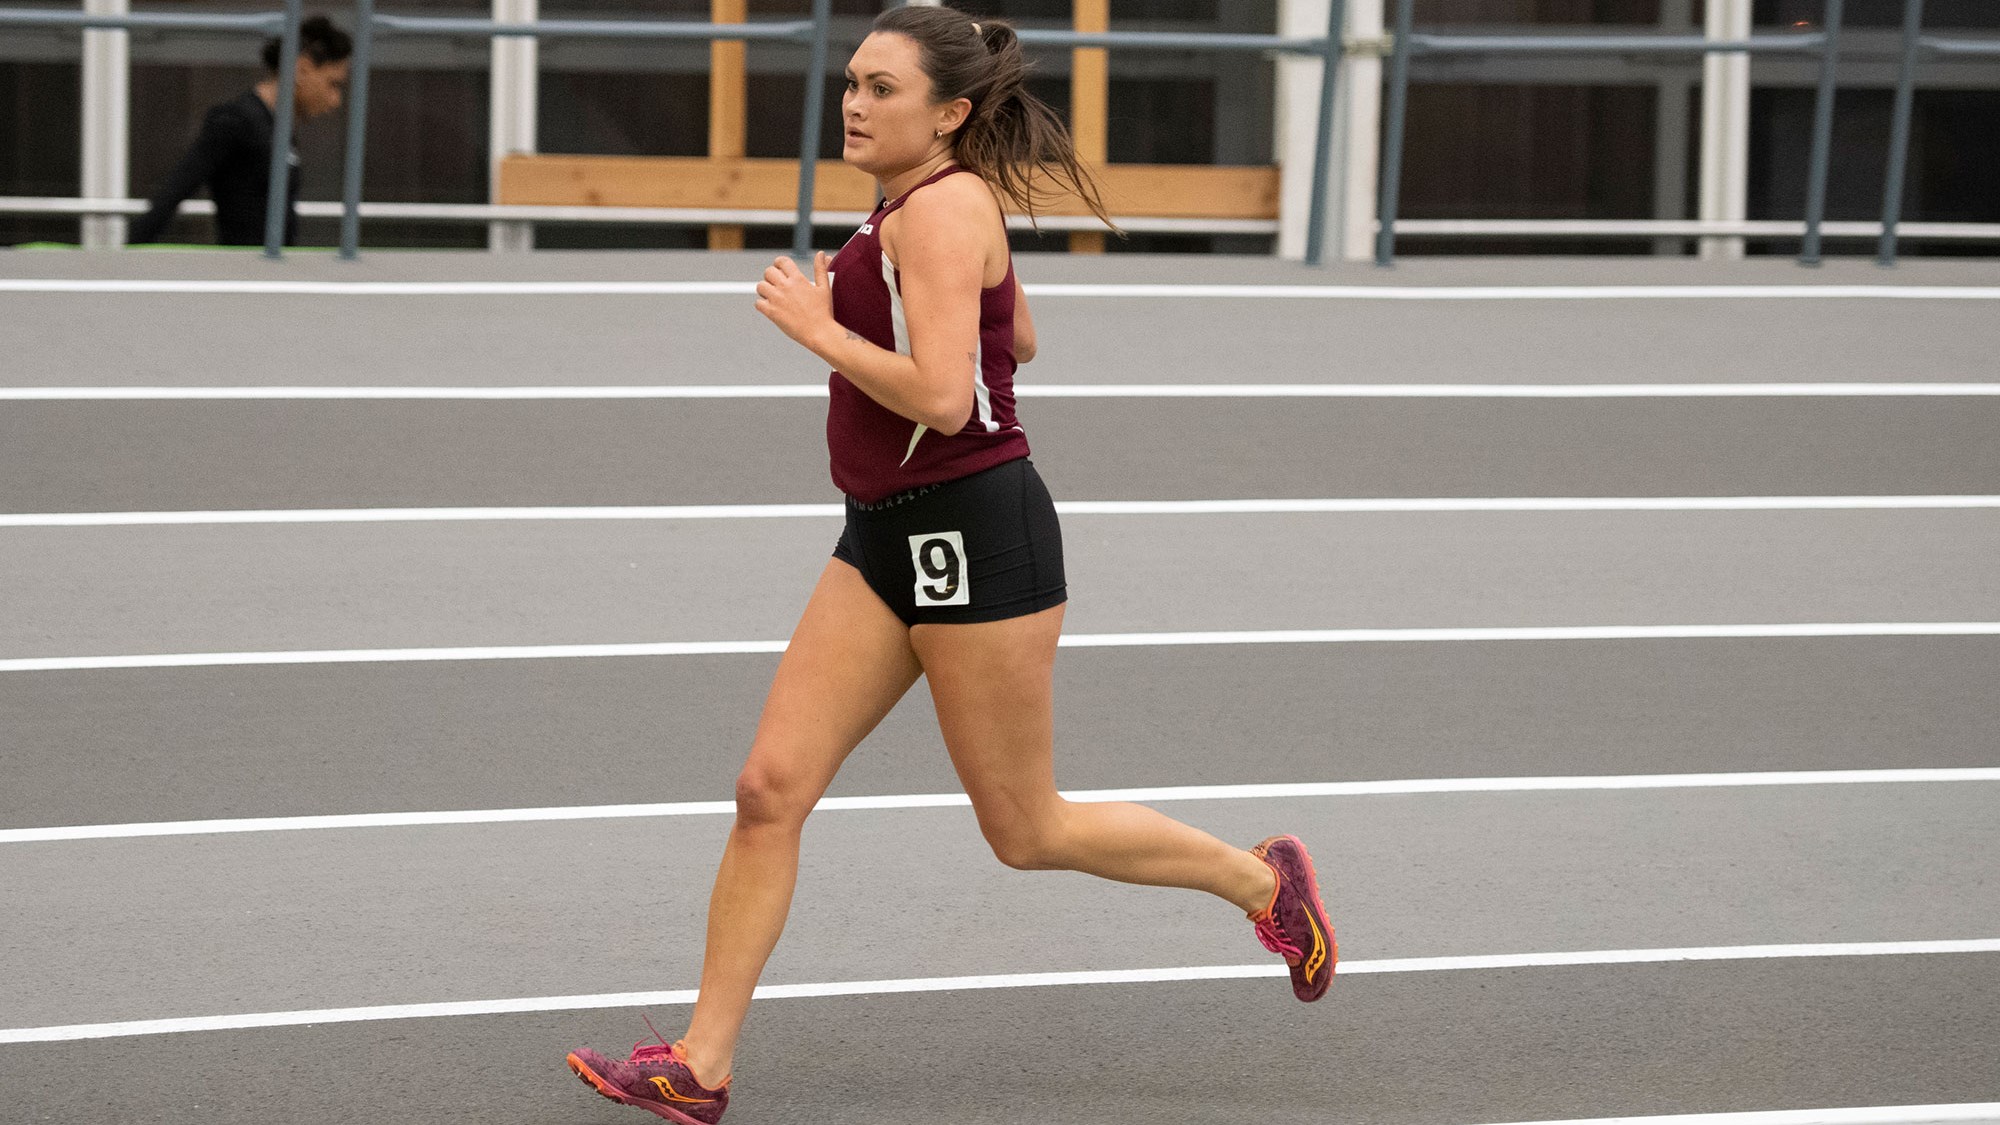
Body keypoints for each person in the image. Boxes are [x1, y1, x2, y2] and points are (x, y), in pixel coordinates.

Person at [563, 7, 1336, 1122]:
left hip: (972, 534)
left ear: (950, 113)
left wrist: (818, 325)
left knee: (1024, 829)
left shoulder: (937, 211)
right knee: (766, 789)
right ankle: (701, 1063)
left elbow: (937, 396)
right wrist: (943, 302)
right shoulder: (920, 208)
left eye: (882, 88)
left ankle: (1263, 883)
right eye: (852, 82)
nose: (853, 102)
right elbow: (1013, 343)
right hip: (883, 534)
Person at [127, 15, 352, 247]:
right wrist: (124, 260)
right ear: (302, 69)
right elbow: (175, 190)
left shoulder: (279, 128)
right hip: (248, 273)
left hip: (274, 273)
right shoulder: (236, 121)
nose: (335, 100)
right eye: (332, 84)